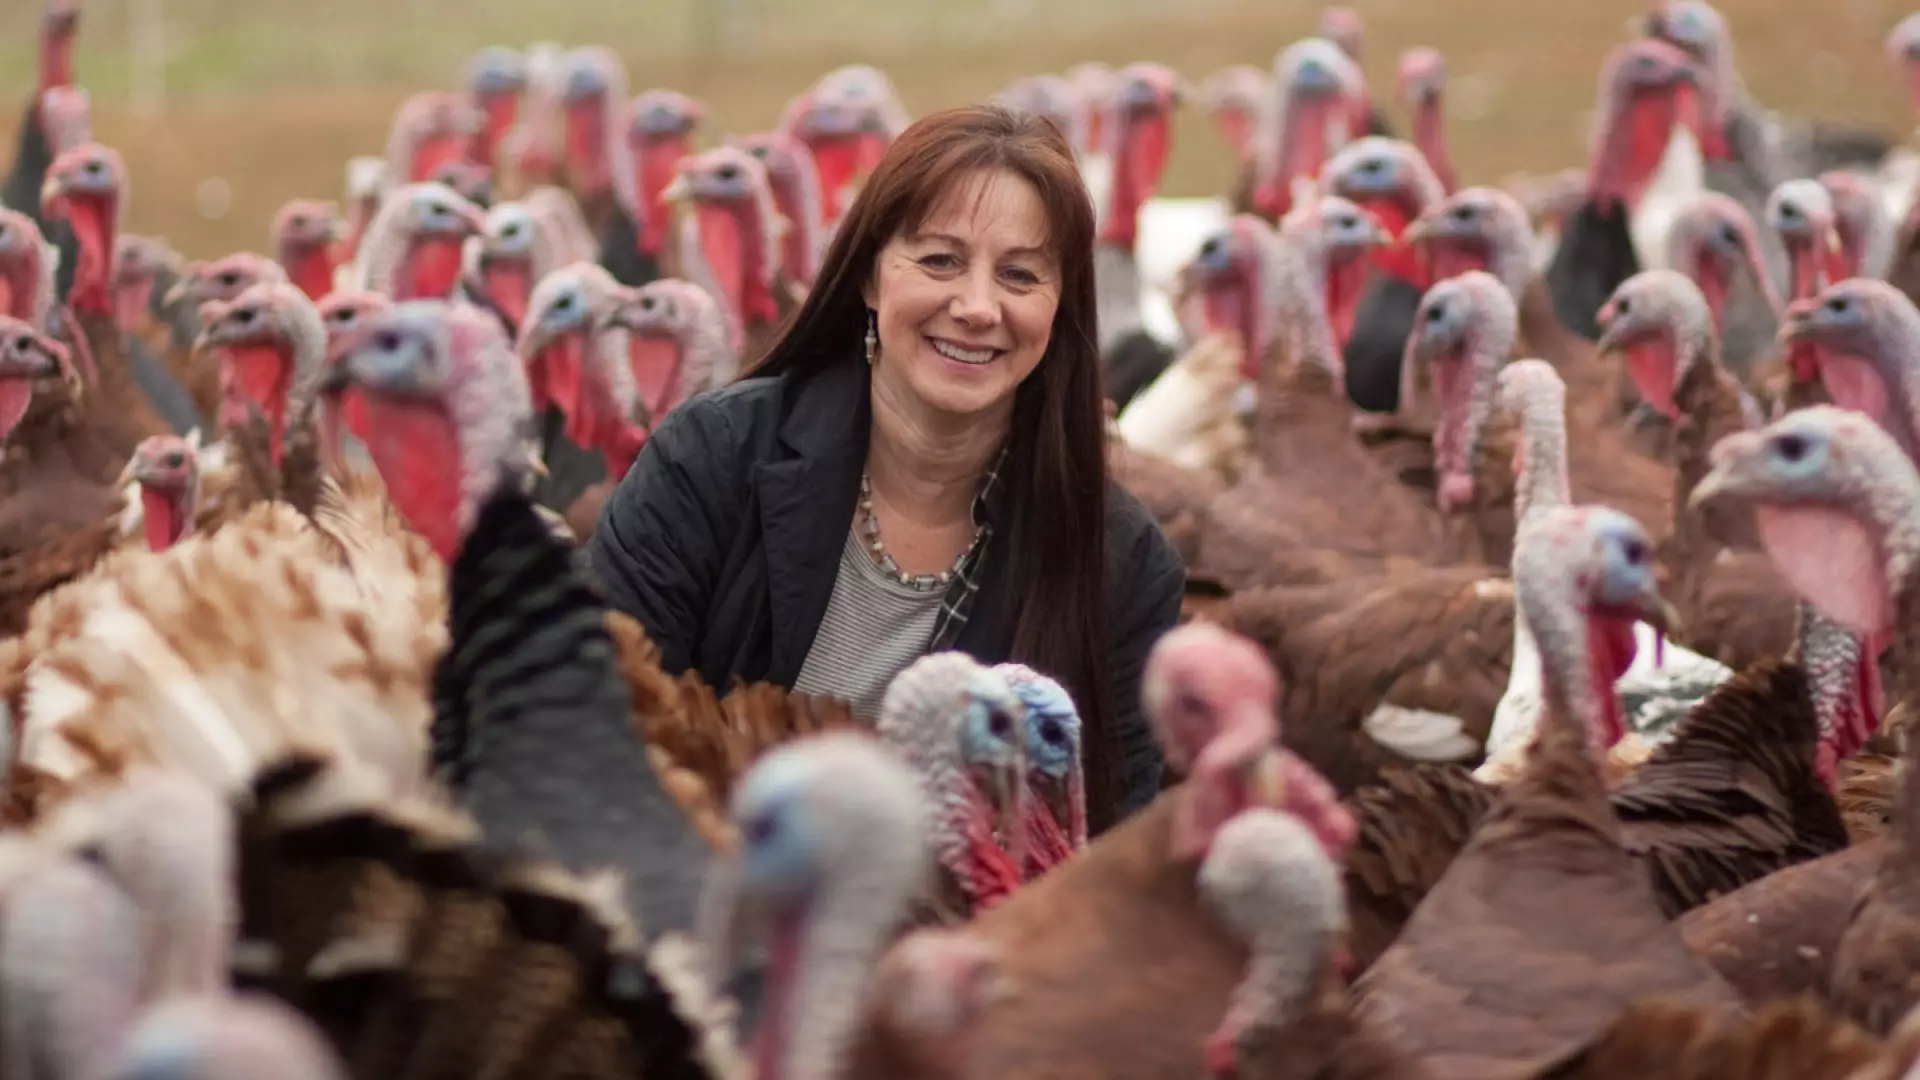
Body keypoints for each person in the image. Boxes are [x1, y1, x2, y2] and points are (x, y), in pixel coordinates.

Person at [587, 104, 1183, 831]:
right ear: (871, 278)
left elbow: (1106, 854)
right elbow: (592, 729)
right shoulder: (711, 462)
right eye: (939, 261)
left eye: (1020, 276)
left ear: (1060, 309)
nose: (976, 306)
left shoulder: (1120, 562)